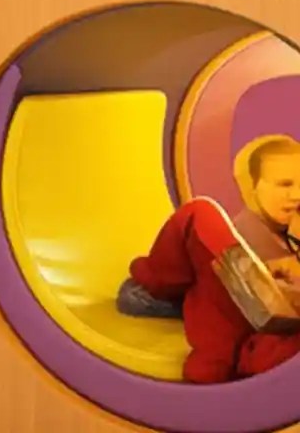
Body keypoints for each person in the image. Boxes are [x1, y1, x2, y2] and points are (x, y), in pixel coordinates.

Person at [118, 135, 300, 382]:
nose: (296, 194)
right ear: (253, 187)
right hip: (262, 305)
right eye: (285, 184)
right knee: (202, 216)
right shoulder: (258, 228)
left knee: (199, 214)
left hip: (259, 327)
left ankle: (151, 282)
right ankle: (152, 285)